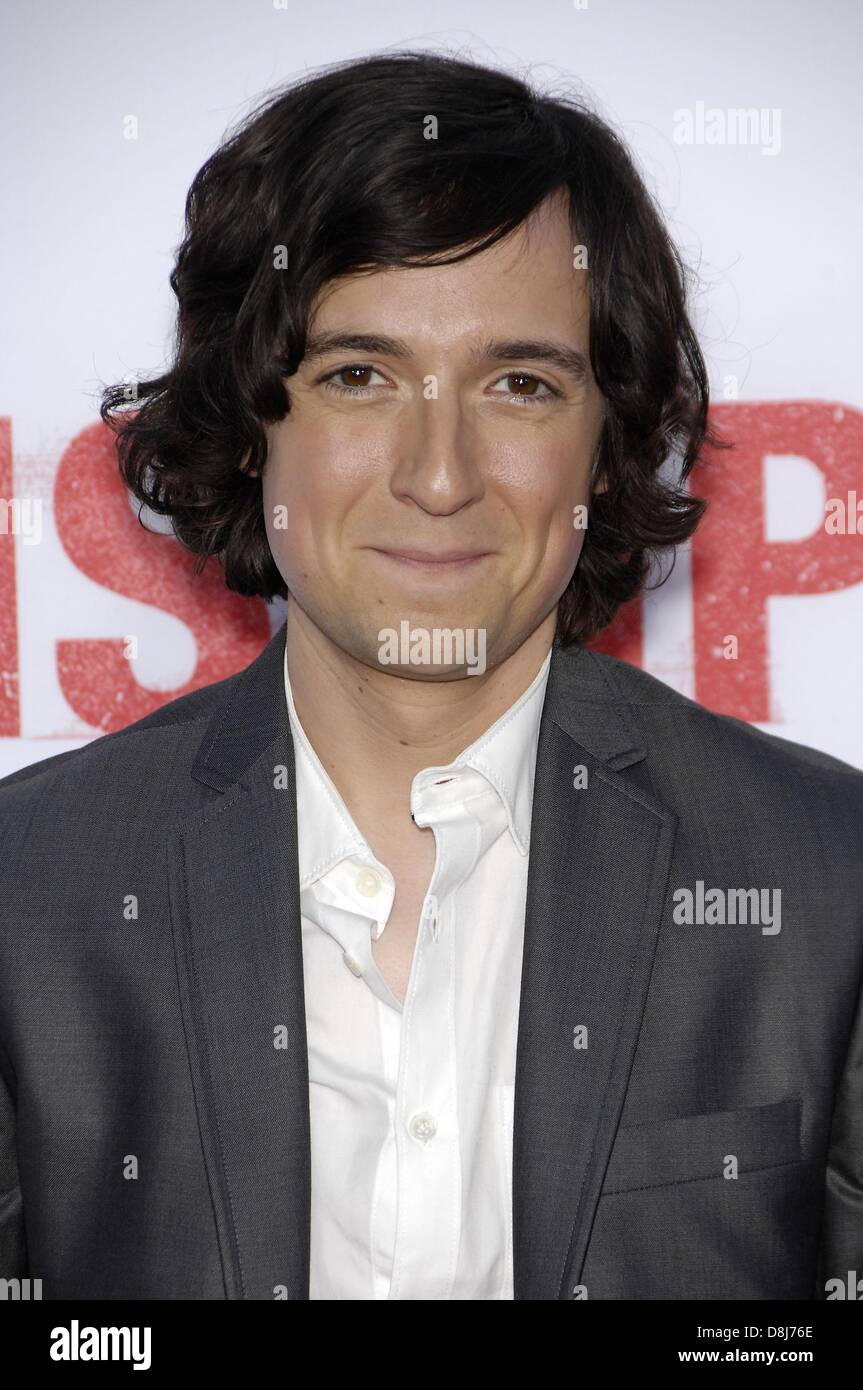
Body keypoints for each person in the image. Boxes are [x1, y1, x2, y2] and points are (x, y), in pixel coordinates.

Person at [1, 50, 860, 1302]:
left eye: (518, 385)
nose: (440, 473)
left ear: (605, 449)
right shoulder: (30, 893)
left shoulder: (826, 876)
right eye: (360, 376)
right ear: (249, 426)